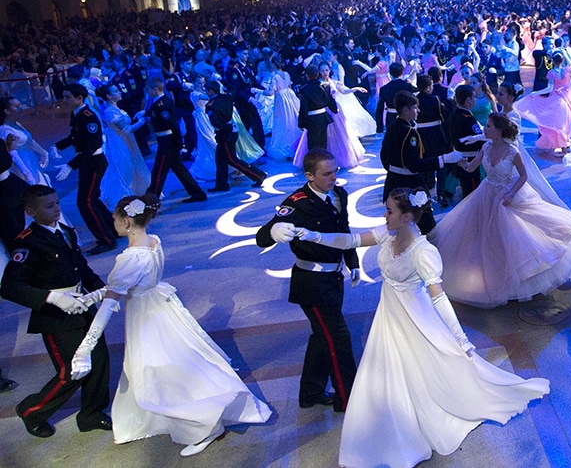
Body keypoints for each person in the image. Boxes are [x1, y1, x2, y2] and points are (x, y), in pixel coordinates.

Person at [291, 187, 550, 468]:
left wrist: (461, 338)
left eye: (389, 211)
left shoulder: (423, 252)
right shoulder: (388, 233)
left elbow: (439, 298)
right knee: (388, 372)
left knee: (426, 365)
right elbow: (350, 240)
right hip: (389, 316)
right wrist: (315, 236)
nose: (384, 215)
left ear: (406, 217)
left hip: (414, 317)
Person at [68, 193, 272, 456]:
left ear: (127, 221)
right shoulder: (153, 241)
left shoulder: (130, 258)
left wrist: (85, 348)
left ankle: (203, 426)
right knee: (173, 364)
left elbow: (110, 305)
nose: (113, 223)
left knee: (153, 373)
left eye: (115, 218)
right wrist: (94, 295)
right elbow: (126, 285)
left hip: (146, 315)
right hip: (160, 306)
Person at [430, 113, 571, 308]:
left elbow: (523, 176)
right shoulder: (485, 147)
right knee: (482, 238)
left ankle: (515, 282)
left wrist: (511, 193)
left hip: (506, 195)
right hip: (486, 193)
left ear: (498, 130)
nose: (484, 129)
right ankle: (488, 277)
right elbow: (471, 168)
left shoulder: (513, 151)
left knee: (516, 238)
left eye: (488, 126)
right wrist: (461, 162)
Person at [0, 185, 112, 438]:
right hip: (56, 317)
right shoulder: (28, 242)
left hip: (83, 308)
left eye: (57, 203)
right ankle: (31, 410)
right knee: (71, 372)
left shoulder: (66, 232)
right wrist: (52, 298)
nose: (57, 209)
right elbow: (10, 287)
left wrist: (102, 289)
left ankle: (92, 414)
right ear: (31, 212)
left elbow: (80, 268)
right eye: (49, 206)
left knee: (100, 363)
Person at [255, 148, 359, 413]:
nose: (334, 177)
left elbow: (343, 231)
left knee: (321, 336)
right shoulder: (297, 203)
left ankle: (310, 392)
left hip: (333, 278)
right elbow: (262, 236)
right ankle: (348, 400)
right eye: (327, 173)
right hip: (312, 284)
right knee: (338, 341)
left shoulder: (339, 195)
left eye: (336, 171)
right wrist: (274, 230)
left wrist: (353, 263)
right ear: (309, 175)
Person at [380, 91, 462, 234]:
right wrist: (443, 160)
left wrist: (394, 170)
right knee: (426, 222)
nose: (418, 111)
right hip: (410, 183)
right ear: (405, 110)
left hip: (392, 180)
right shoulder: (409, 133)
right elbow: (414, 165)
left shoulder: (392, 128)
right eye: (415, 108)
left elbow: (383, 156)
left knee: (399, 222)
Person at [52, 83, 117, 255]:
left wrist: (70, 165)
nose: (65, 100)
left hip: (93, 161)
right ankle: (112, 230)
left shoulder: (87, 116)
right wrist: (58, 146)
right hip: (88, 161)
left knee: (86, 202)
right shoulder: (78, 114)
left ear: (79, 98)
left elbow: (91, 146)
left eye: (68, 97)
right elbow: (75, 136)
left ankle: (106, 239)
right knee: (92, 199)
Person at [496, 81, 568, 208]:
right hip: (502, 152)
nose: (497, 96)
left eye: (501, 94)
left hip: (511, 154)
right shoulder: (501, 113)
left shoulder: (513, 115)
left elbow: (510, 137)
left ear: (510, 98)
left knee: (517, 180)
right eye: (498, 93)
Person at [144, 78, 207, 203]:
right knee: (179, 170)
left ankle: (151, 202)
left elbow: (173, 125)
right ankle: (198, 193)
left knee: (159, 172)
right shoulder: (159, 103)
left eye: (149, 90)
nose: (148, 93)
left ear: (155, 89)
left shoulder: (162, 105)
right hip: (167, 141)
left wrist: (179, 143)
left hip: (167, 142)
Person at [94, 84, 150, 210]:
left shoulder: (116, 109)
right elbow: (126, 129)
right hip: (119, 143)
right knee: (124, 168)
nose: (120, 92)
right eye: (116, 91)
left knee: (131, 167)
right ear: (108, 96)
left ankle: (134, 194)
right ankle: (125, 198)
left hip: (126, 141)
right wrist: (142, 121)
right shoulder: (110, 111)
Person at [204, 80, 266, 192]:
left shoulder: (212, 105)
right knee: (220, 159)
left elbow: (214, 121)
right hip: (231, 132)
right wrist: (223, 80)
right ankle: (221, 184)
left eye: (207, 91)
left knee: (232, 159)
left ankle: (257, 175)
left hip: (225, 134)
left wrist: (227, 127)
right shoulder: (227, 97)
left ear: (211, 91)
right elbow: (233, 87)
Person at [516, 51, 571, 156]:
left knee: (557, 125)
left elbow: (549, 88)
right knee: (565, 124)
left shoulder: (552, 73)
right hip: (567, 101)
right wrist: (565, 53)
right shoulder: (567, 70)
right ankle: (566, 145)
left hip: (556, 102)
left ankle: (564, 149)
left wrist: (536, 93)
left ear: (552, 61)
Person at [0, 96, 51, 185]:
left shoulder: (17, 125)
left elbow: (30, 141)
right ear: (7, 111)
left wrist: (43, 153)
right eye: (17, 106)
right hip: (20, 165)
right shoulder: (5, 130)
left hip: (30, 159)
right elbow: (12, 153)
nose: (21, 108)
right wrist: (27, 174)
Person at [448, 85, 485, 198]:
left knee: (467, 191)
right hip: (469, 160)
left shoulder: (454, 115)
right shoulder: (468, 119)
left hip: (460, 158)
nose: (476, 99)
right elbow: (479, 141)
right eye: (474, 97)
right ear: (468, 100)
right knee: (472, 195)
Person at [297, 64, 338, 151]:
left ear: (307, 76)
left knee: (312, 143)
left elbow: (304, 108)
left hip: (312, 119)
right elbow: (330, 101)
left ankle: (315, 163)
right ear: (318, 73)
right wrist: (335, 110)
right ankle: (323, 162)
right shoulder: (325, 86)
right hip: (323, 118)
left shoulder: (304, 89)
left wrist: (301, 123)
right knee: (323, 142)